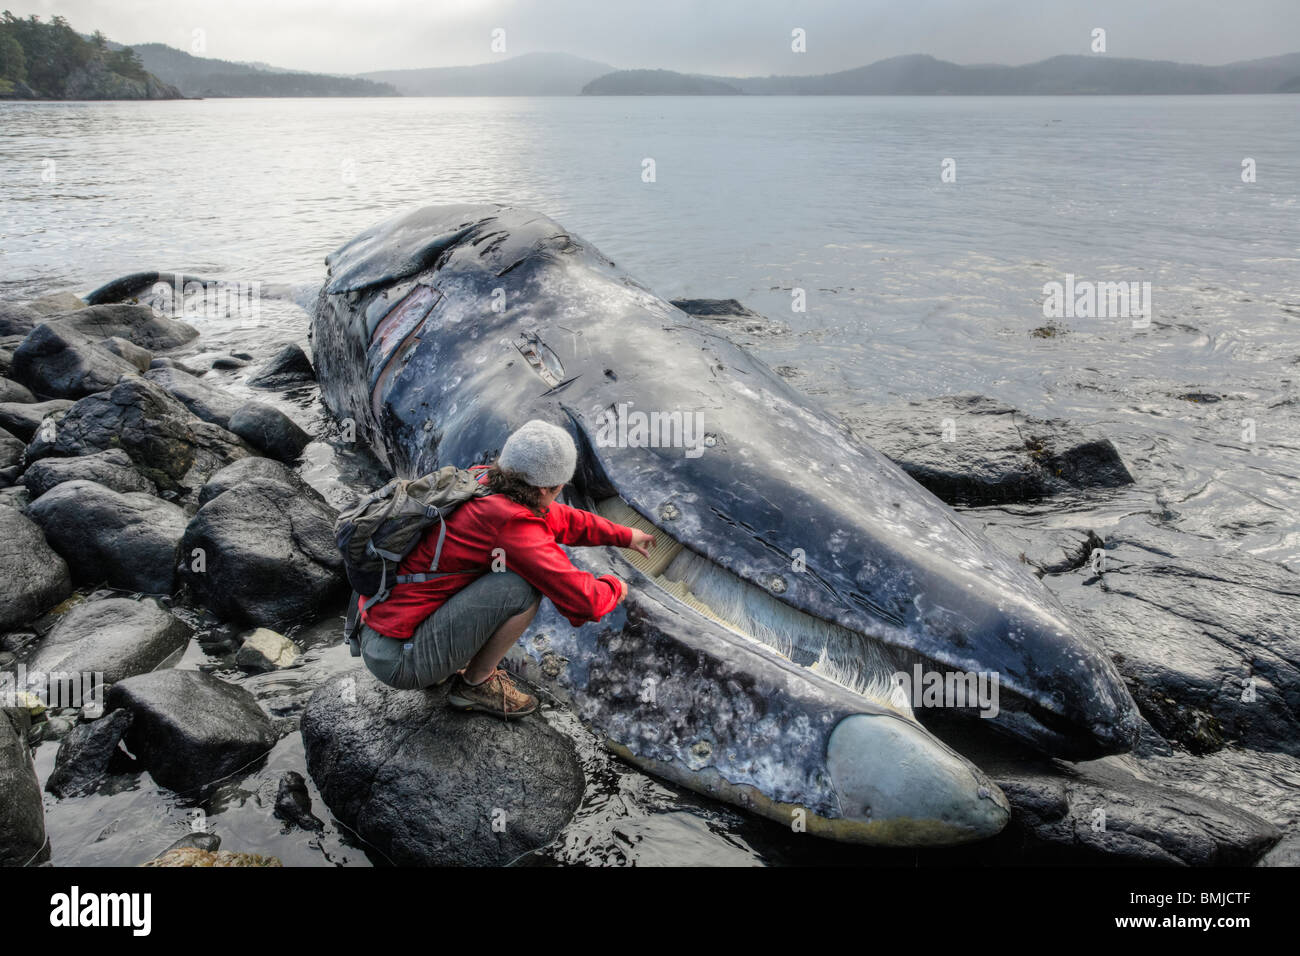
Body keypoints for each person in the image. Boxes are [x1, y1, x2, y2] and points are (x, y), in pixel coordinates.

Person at [355, 419, 656, 719]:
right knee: (521, 588)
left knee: (498, 568)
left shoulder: (481, 481)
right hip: (397, 660)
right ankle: (476, 683)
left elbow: (561, 518)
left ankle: (443, 664)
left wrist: (624, 535)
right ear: (547, 488)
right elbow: (583, 601)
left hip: (379, 626)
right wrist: (615, 587)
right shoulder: (511, 524)